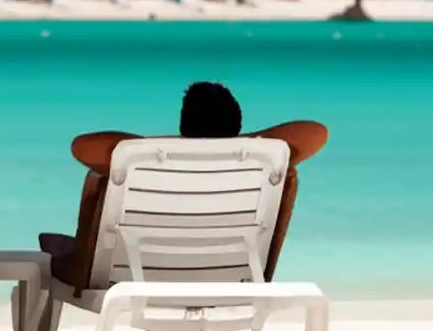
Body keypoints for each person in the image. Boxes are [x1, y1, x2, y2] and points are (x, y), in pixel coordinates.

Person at [38, 82, 329, 294]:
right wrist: (239, 146)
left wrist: (167, 148)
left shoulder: (147, 163)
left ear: (183, 123)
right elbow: (316, 132)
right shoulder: (252, 168)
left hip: (132, 281)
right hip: (228, 280)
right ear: (237, 125)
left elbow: (82, 147)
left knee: (53, 247)